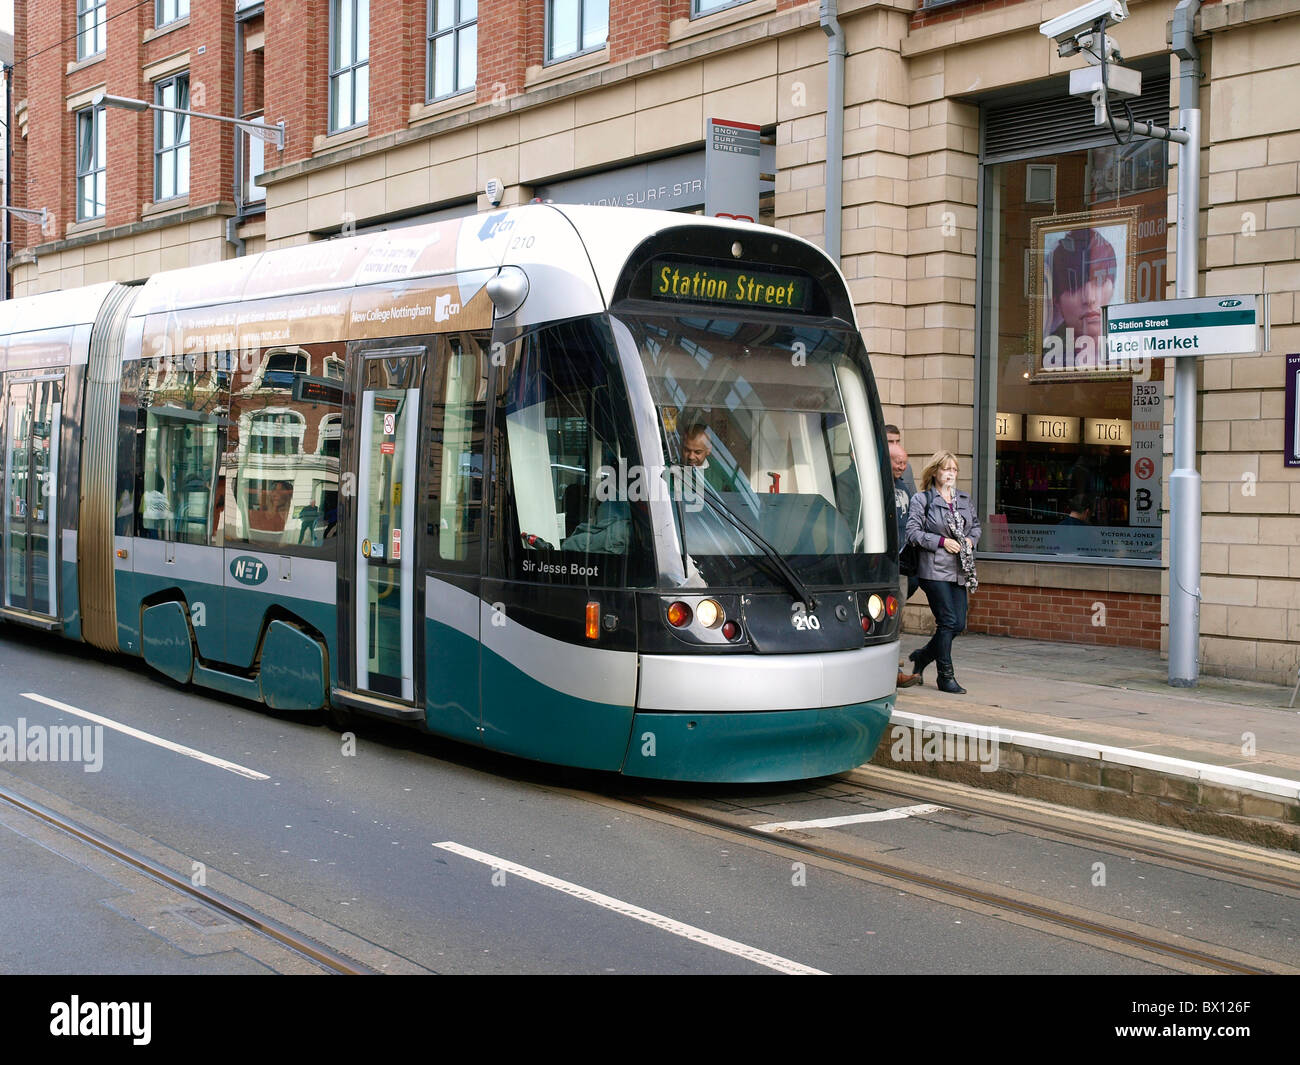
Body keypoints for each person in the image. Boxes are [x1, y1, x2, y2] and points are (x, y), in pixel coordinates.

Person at [906, 451, 981, 694]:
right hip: (934, 569)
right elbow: (913, 533)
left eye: (954, 470)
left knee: (958, 623)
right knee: (947, 621)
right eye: (945, 469)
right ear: (935, 471)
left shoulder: (963, 499)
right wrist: (941, 541)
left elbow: (977, 527)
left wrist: (970, 539)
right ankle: (945, 676)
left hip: (960, 569)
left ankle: (923, 656)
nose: (950, 473)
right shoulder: (922, 499)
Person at [1044, 228, 1117, 368]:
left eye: (1099, 281)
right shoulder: (1044, 358)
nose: (1089, 298)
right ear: (1056, 300)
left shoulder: (1130, 348)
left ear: (1112, 286)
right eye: (1074, 288)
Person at [891, 442, 921, 689]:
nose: (901, 467)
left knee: (897, 616)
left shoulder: (904, 487)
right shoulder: (878, 484)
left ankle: (894, 668)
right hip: (882, 561)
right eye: (897, 462)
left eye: (904, 463)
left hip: (901, 563)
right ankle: (891, 670)